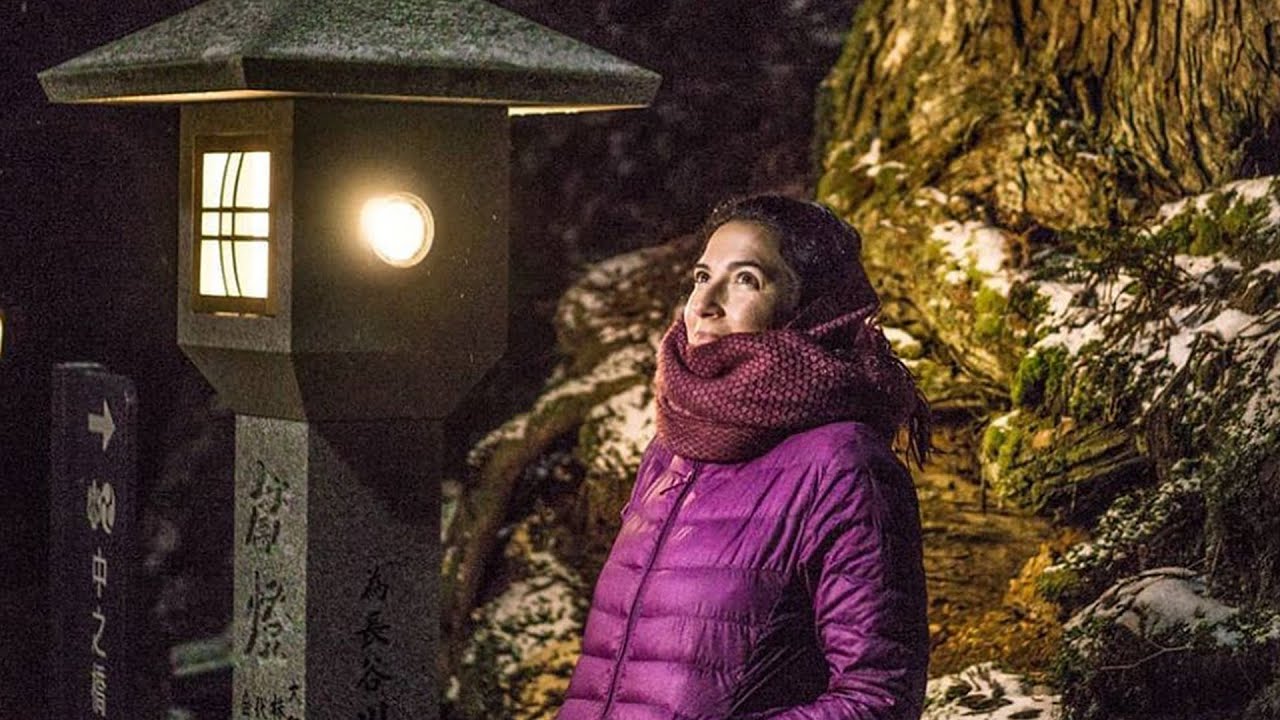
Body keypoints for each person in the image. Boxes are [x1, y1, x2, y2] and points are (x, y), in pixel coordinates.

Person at [558, 195, 931, 719]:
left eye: (745, 280)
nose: (704, 303)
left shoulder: (843, 464)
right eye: (701, 276)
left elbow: (876, 698)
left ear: (810, 308)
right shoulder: (672, 451)